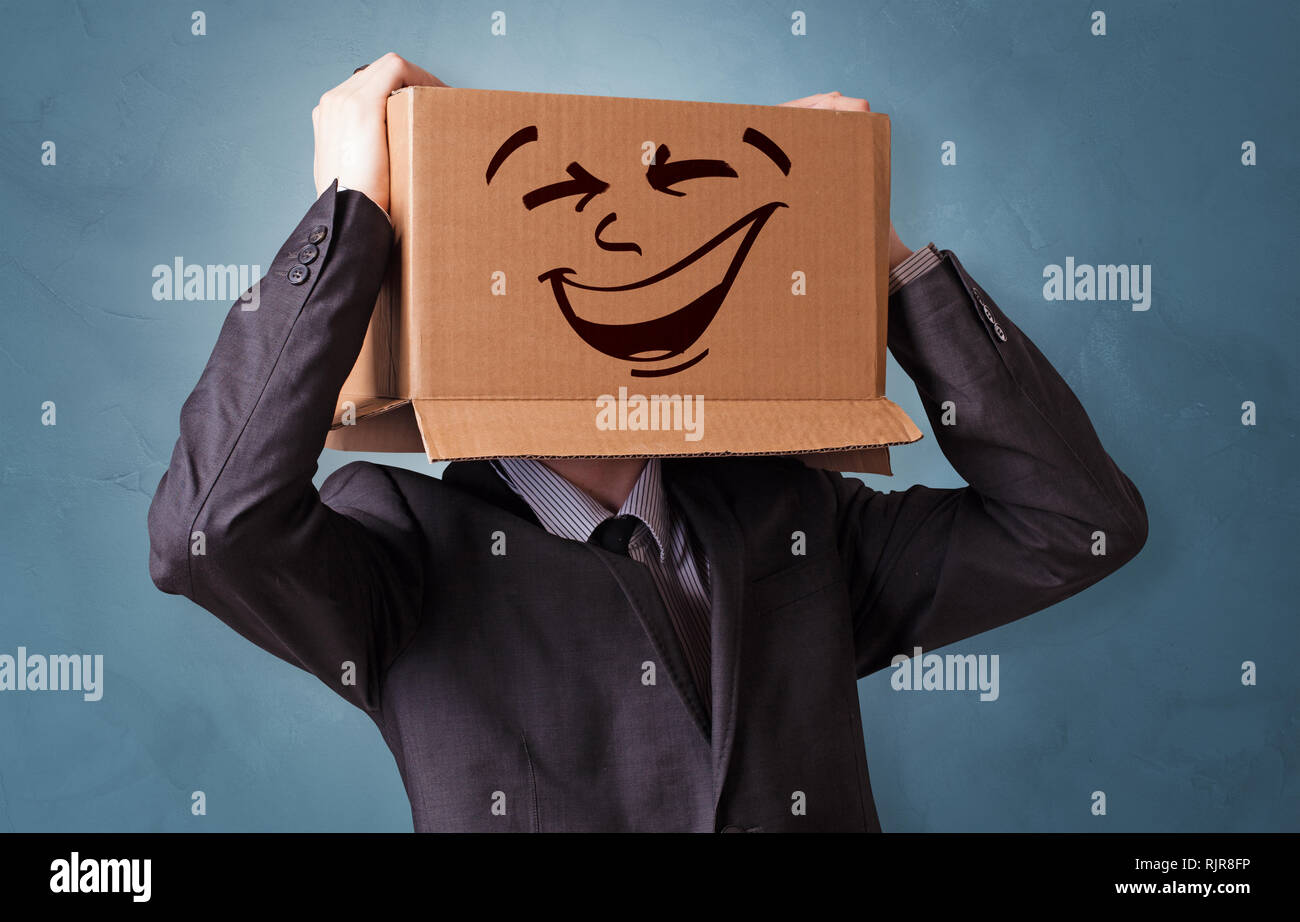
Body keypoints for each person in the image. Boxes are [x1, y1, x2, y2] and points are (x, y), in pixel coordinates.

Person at [147, 53, 1147, 832]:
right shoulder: (401, 550)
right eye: (556, 214)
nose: (624, 243)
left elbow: (1076, 524)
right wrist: (353, 216)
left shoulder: (796, 521)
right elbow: (208, 534)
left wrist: (867, 248)